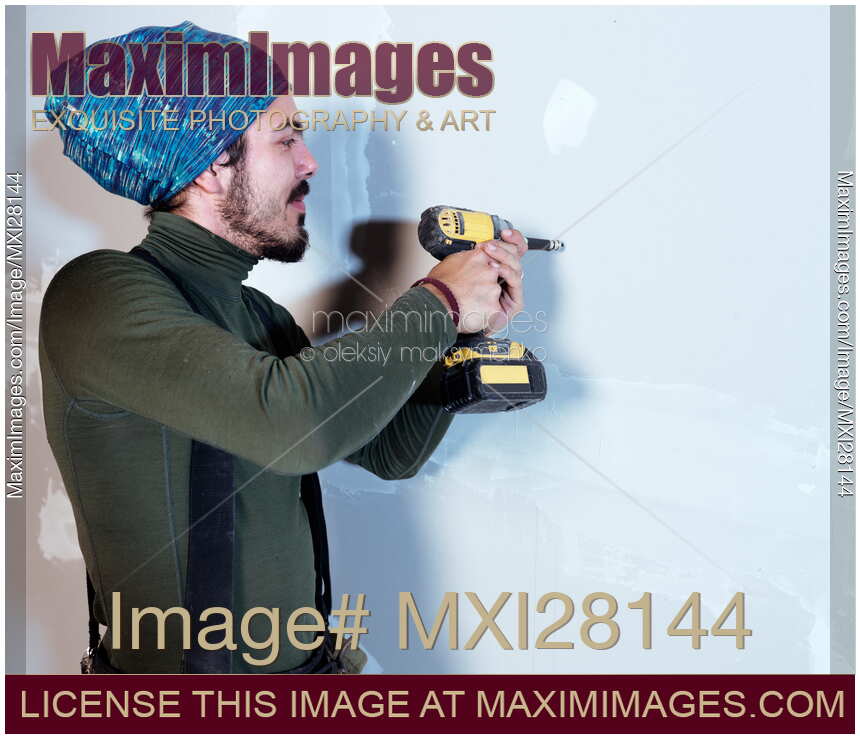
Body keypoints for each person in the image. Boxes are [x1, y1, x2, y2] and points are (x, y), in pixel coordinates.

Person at [39, 21, 526, 674]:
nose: (309, 161)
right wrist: (436, 301)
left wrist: (459, 331)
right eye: (286, 136)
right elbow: (294, 424)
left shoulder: (256, 313)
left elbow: (389, 450)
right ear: (214, 165)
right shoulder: (95, 294)